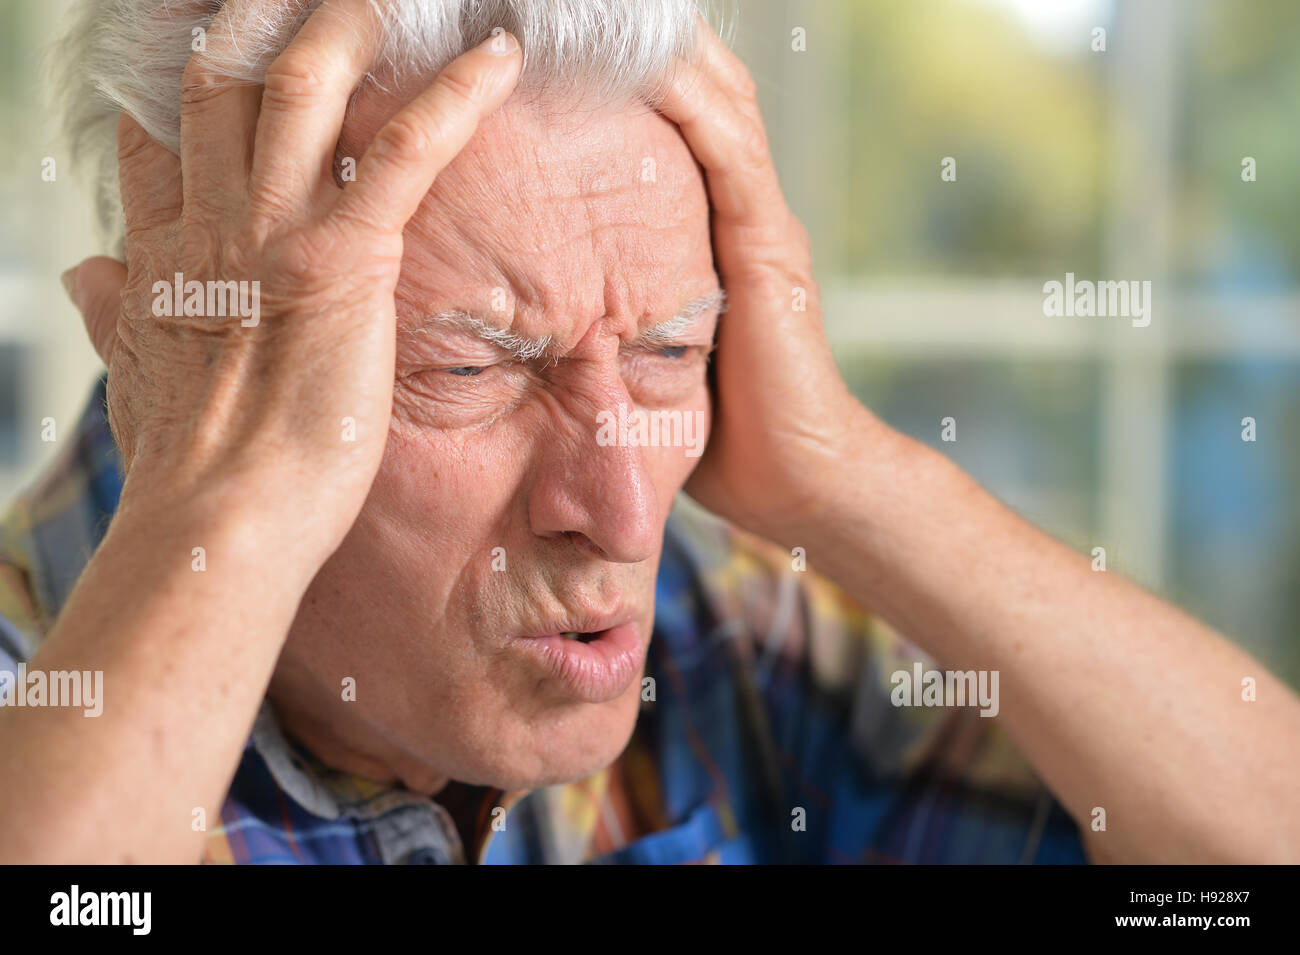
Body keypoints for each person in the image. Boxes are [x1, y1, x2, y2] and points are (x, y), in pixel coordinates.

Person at [1, 0, 1297, 864]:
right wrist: (228, 506)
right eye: (469, 367)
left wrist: (843, 478)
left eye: (673, 351)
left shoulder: (715, 632)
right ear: (191, 354)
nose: (623, 513)